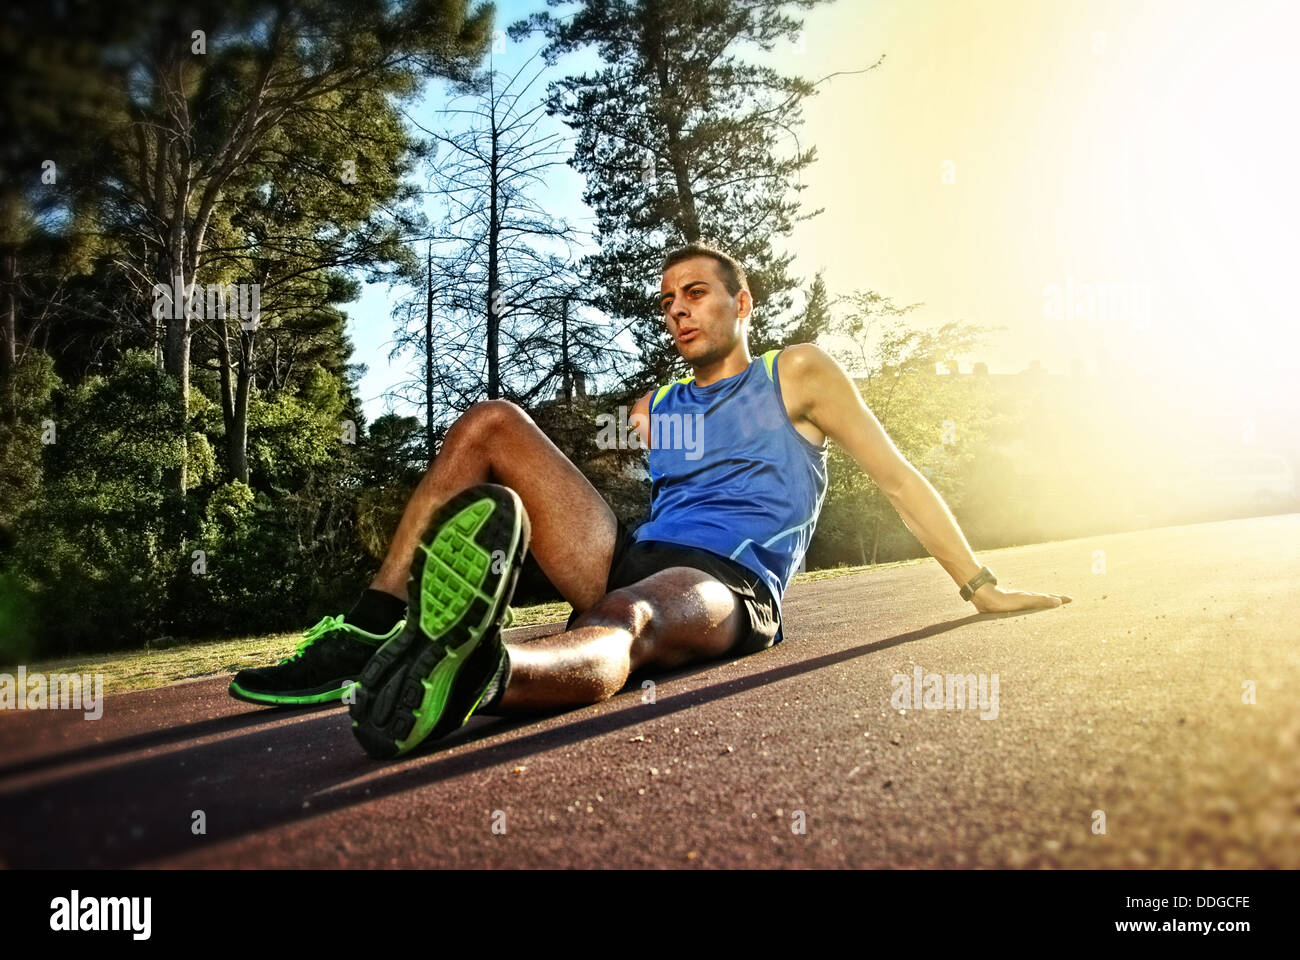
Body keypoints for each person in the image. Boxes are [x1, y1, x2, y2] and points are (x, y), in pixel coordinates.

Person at [228, 242, 1072, 758]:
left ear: (743, 304)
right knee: (492, 423)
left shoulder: (799, 373)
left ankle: (483, 674)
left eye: (695, 293)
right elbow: (601, 486)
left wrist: (978, 584)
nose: (677, 311)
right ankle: (372, 626)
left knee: (626, 617)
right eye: (667, 301)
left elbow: (895, 476)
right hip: (633, 549)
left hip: (722, 579)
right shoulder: (651, 410)